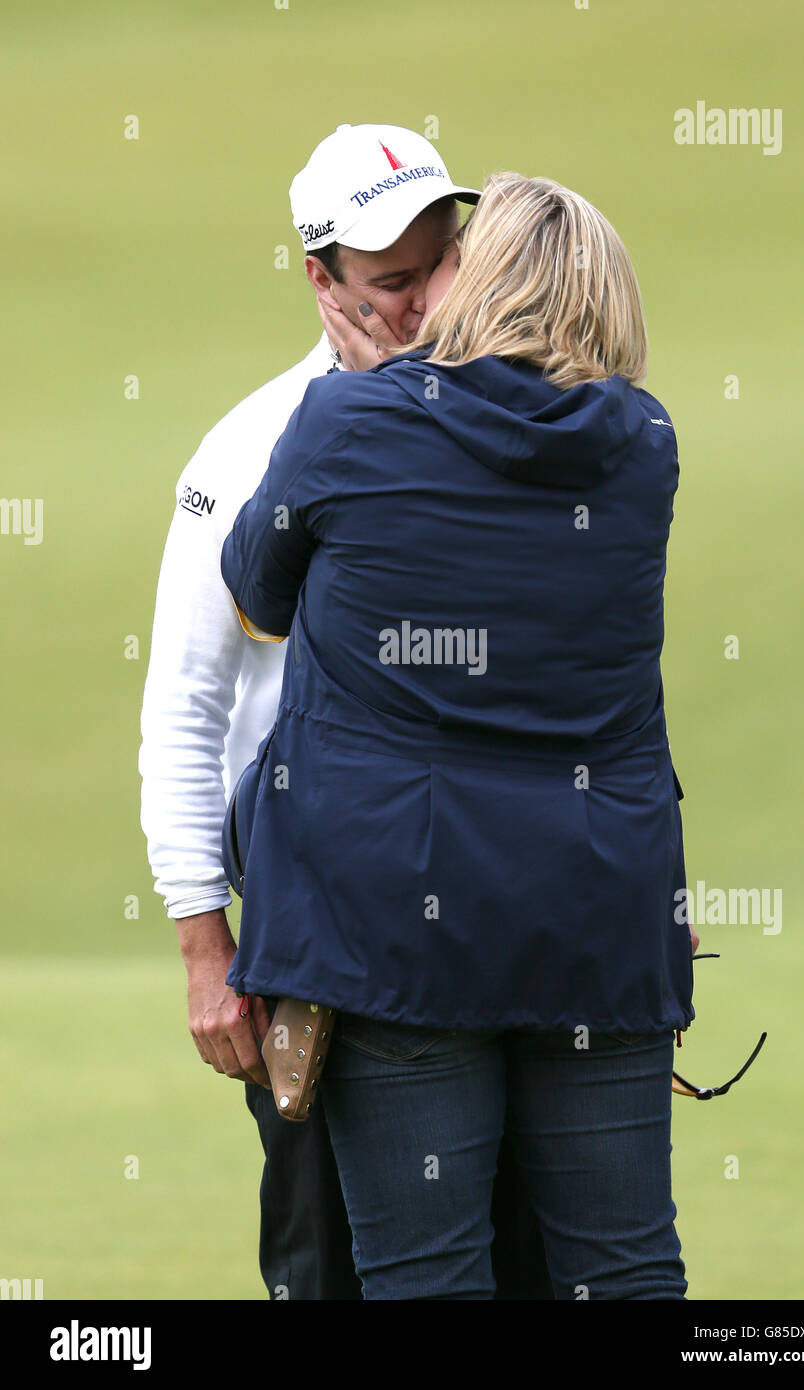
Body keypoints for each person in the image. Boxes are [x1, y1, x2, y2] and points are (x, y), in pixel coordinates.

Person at [219, 171, 697, 1300]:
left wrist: (376, 399)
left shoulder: (346, 416)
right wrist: (403, 407)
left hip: (394, 924)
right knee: (624, 1267)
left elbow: (255, 596)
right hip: (598, 916)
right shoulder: (643, 446)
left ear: (475, 285)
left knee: (424, 1275)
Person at [139, 125, 551, 1299]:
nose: (425, 302)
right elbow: (186, 706)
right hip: (312, 924)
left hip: (502, 904)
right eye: (389, 283)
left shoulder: (527, 425)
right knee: (330, 1261)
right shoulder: (249, 446)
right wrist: (200, 943)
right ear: (319, 283)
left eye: (441, 262)